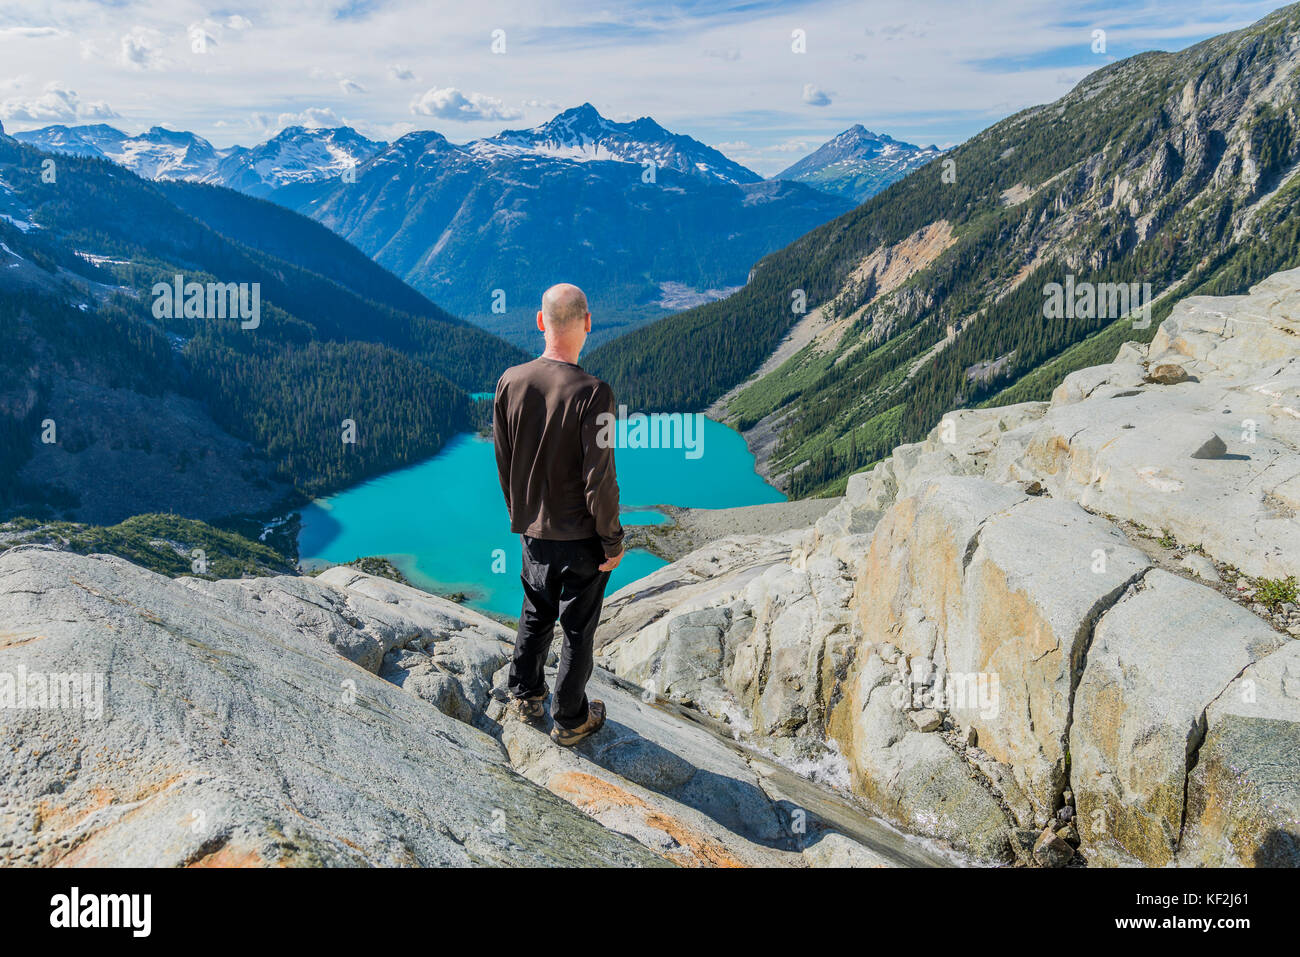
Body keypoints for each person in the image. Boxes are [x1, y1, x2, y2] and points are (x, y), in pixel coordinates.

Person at [493, 283, 624, 746]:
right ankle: (570, 719)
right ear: (588, 322)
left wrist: (521, 515)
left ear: (539, 321)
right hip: (582, 539)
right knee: (577, 629)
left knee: (535, 612)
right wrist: (612, 540)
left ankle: (525, 694)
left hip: (534, 531)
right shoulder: (595, 393)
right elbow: (599, 478)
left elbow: (504, 460)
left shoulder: (511, 380)